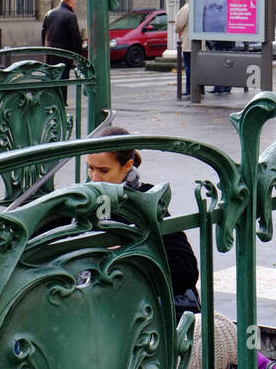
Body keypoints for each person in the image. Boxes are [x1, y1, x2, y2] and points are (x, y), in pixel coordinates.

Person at [86, 130, 200, 308]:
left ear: (127, 166)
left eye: (104, 170)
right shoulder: (84, 200)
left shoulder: (146, 201)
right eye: (90, 168)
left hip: (142, 311)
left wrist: (127, 256)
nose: (94, 178)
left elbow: (186, 270)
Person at [41, 0, 82, 105]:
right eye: (74, 3)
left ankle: (50, 99)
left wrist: (44, 48)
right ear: (70, 2)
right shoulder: (71, 16)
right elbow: (75, 36)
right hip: (64, 52)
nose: (74, 6)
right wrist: (77, 54)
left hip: (49, 51)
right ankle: (62, 101)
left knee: (51, 76)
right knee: (63, 76)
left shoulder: (49, 13)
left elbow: (43, 32)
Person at [175, 1, 197, 99]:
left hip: (188, 41)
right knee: (197, 67)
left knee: (189, 68)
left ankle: (189, 88)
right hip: (200, 42)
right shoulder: (199, 6)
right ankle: (200, 88)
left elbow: (179, 24)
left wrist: (177, 29)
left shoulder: (186, 8)